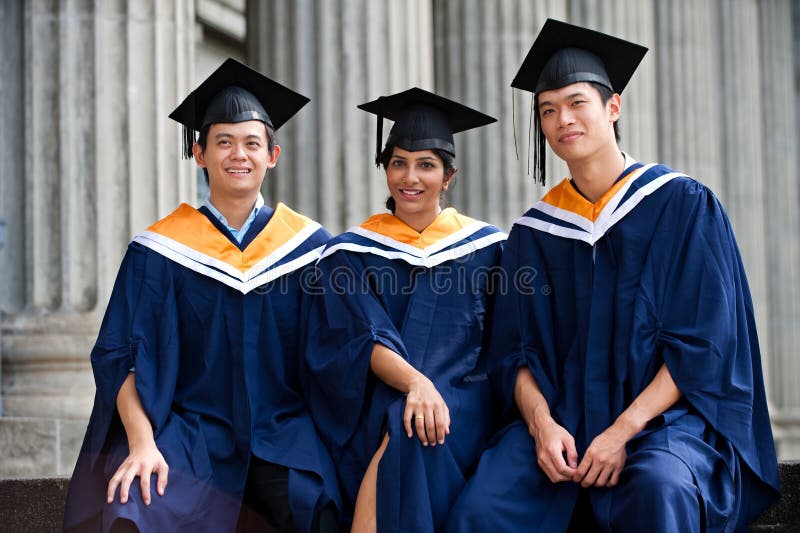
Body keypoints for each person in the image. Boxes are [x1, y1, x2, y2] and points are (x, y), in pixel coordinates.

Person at [448, 19, 780, 533]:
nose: (563, 119)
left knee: (660, 488)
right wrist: (541, 426)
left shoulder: (681, 205)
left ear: (613, 107)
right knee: (482, 509)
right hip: (561, 425)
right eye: (548, 110)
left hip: (662, 423)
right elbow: (512, 354)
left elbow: (706, 343)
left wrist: (623, 430)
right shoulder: (535, 233)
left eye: (577, 102)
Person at [63, 58, 340, 532]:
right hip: (193, 435)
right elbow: (115, 357)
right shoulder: (160, 250)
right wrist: (142, 443)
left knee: (320, 502)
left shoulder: (310, 250)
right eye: (224, 142)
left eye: (251, 143)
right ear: (199, 154)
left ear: (272, 155)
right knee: (139, 504)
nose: (239, 155)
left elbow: (342, 352)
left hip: (285, 432)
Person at [302, 87, 504, 532]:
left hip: (468, 402)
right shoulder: (349, 254)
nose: (409, 177)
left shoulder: (489, 249)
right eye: (398, 163)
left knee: (414, 426)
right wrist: (416, 383)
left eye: (426, 165)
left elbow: (504, 344)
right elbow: (359, 335)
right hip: (377, 399)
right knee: (405, 422)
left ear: (448, 177)